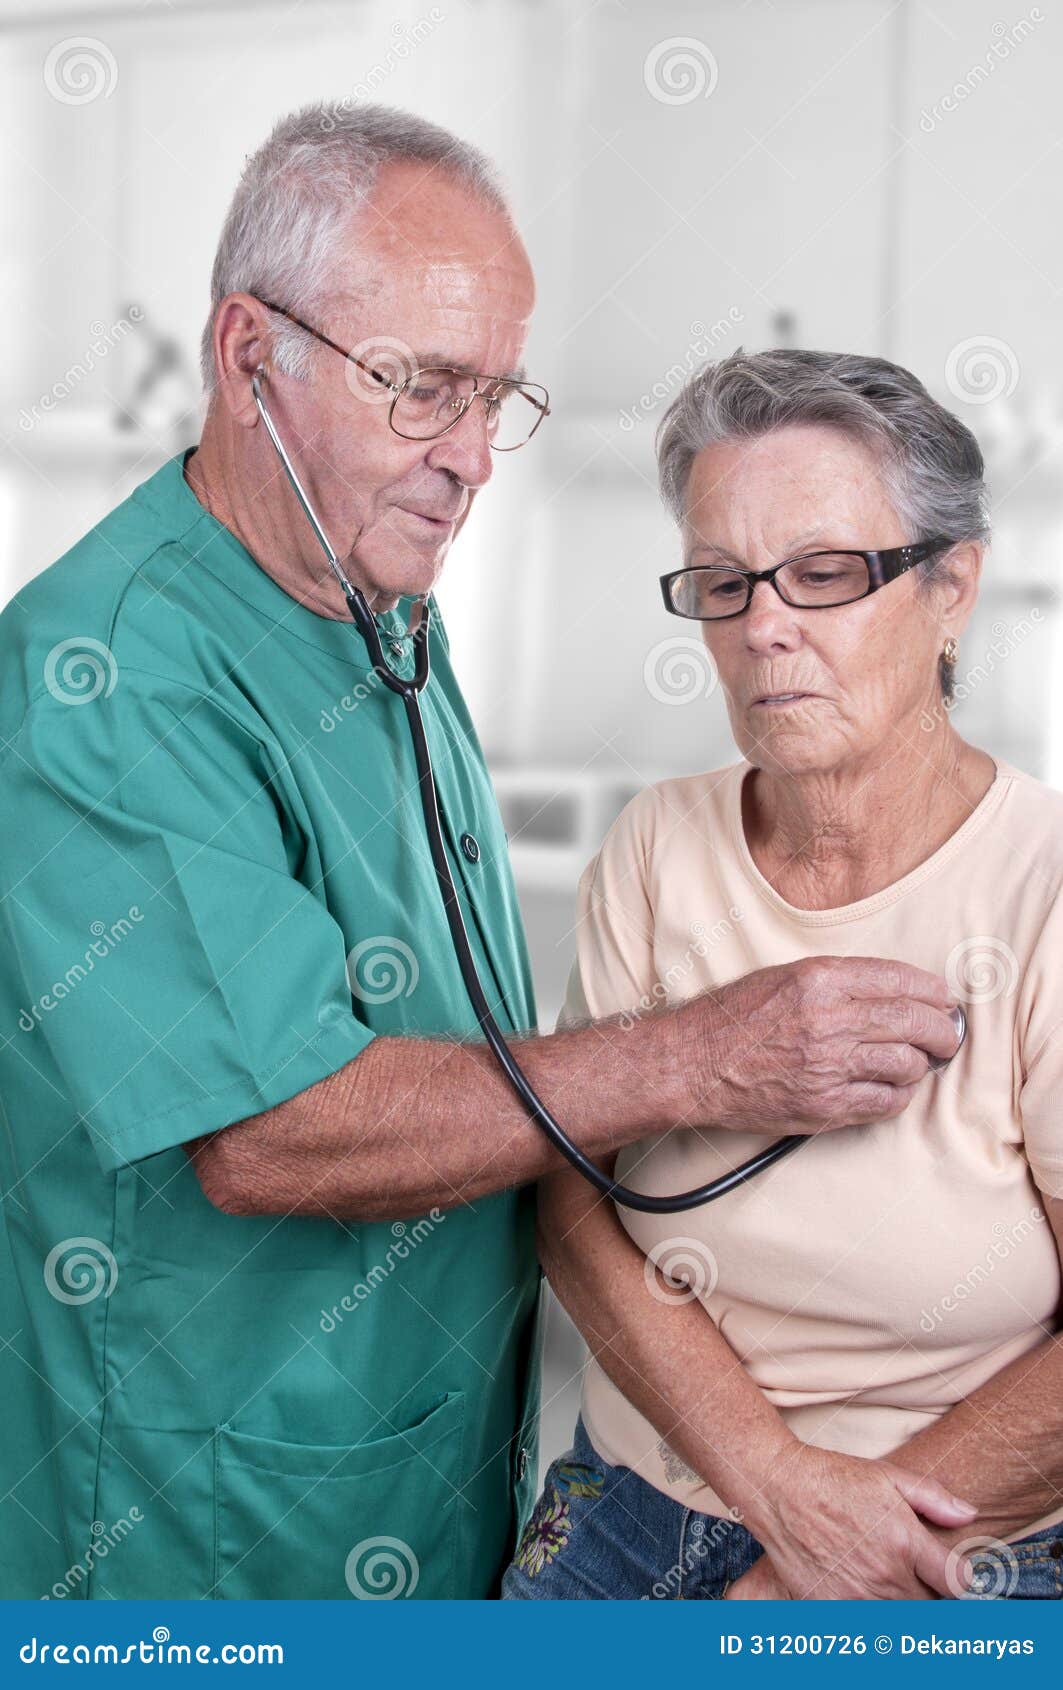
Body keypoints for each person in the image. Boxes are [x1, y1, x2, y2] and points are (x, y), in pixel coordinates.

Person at [0, 110, 961, 1600]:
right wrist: (702, 1057)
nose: (471, 458)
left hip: (425, 1469)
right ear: (250, 357)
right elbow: (274, 1130)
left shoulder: (378, 604)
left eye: (496, 396)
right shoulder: (109, 676)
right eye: (424, 387)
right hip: (206, 1525)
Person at [504, 349, 1063, 1602]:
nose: (762, 625)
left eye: (823, 574)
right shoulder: (655, 844)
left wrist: (835, 1556)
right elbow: (569, 1198)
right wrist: (773, 1483)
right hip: (631, 1504)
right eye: (722, 581)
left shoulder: (1044, 889)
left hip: (947, 1536)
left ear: (951, 588)